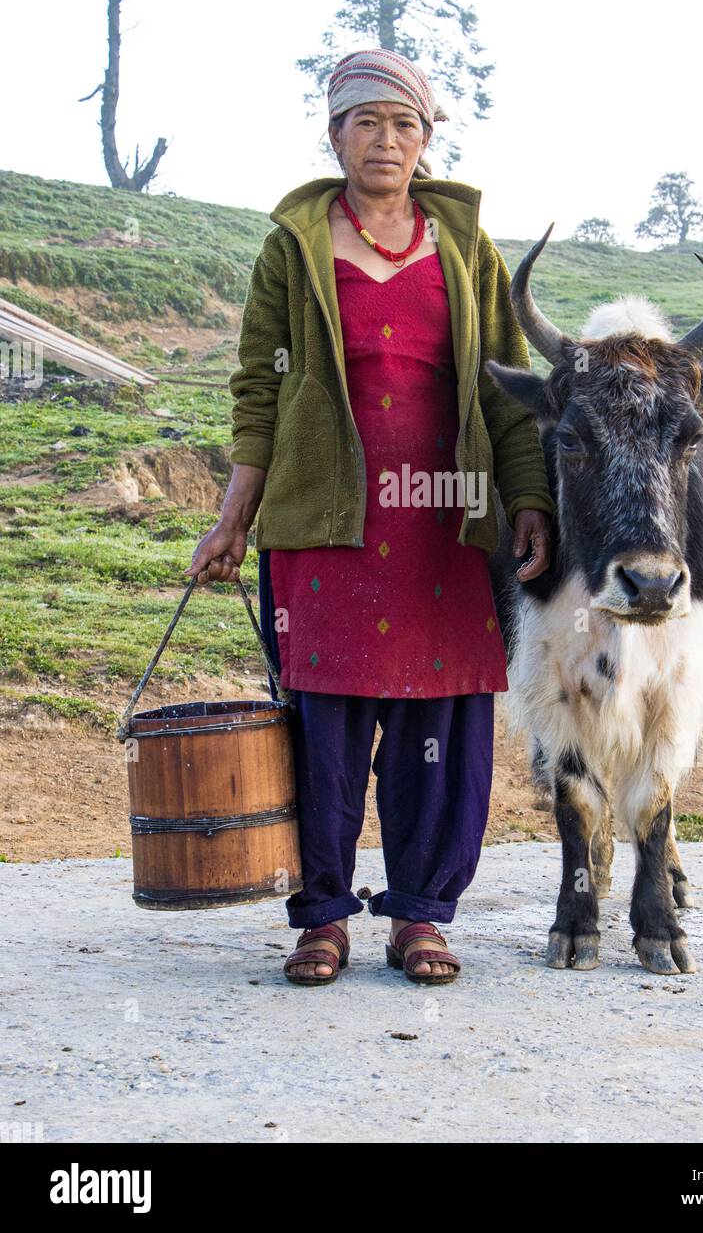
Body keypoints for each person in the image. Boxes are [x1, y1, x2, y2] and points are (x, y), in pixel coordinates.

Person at [186, 48, 554, 985]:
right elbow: (256, 391)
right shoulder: (292, 246)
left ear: (427, 139)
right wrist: (234, 516)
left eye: (404, 124)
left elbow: (510, 394)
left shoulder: (470, 250)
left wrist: (526, 501)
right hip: (326, 519)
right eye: (365, 122)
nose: (384, 140)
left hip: (447, 517)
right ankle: (322, 917)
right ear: (334, 133)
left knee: (445, 720)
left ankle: (422, 914)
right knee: (323, 719)